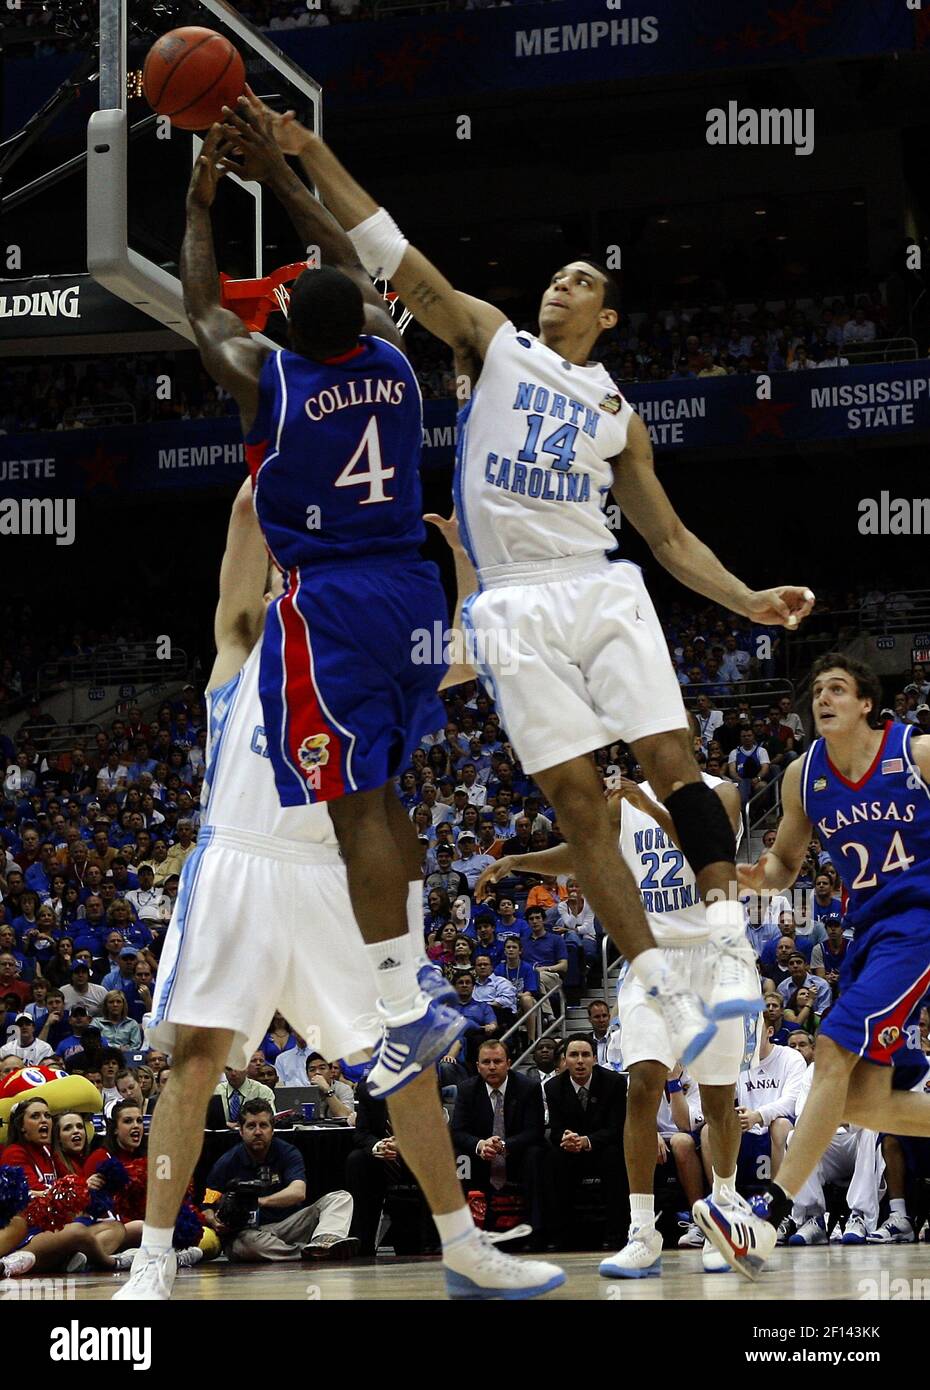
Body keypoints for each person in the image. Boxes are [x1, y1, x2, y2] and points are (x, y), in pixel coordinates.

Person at [226, 89, 815, 1080]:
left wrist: (746, 598)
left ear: (607, 313)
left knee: (672, 760)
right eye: (555, 274)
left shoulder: (618, 409)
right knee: (583, 807)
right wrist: (303, 154)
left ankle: (723, 950)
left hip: (599, 582)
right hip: (510, 599)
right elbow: (388, 251)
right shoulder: (490, 340)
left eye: (581, 280)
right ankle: (656, 984)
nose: (561, 285)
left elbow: (667, 536)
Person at [117, 483, 562, 1301]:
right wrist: (287, 445)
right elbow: (244, 522)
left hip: (339, 881)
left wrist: (464, 560)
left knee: (407, 1061)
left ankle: (462, 1246)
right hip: (239, 867)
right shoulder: (244, 640)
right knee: (194, 1059)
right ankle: (152, 1257)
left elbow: (471, 653)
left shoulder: (376, 659)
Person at [182, 107, 465, 1101]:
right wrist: (283, 173)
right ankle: (415, 975)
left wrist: (204, 196)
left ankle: (400, 1009)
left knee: (356, 809)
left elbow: (202, 312)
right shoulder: (392, 355)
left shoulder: (270, 380)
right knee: (388, 790)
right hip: (411, 591)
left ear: (293, 329)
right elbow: (343, 253)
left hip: (334, 602)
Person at [696, 654, 930, 1279]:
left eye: (837, 689)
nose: (822, 699)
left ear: (865, 704)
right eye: (817, 691)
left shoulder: (917, 753)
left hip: (920, 924)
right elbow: (784, 865)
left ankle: (764, 1221)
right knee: (863, 1101)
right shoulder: (804, 776)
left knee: (829, 1047)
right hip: (867, 934)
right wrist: (755, 879)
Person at [201, 1099, 358, 1262]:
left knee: (340, 1198)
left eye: (263, 1125)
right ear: (240, 1131)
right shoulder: (227, 1162)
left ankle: (326, 1240)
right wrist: (214, 1220)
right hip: (251, 1233)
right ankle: (312, 1251)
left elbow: (298, 1192)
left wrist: (259, 1202)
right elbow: (207, 1204)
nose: (257, 1132)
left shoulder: (287, 1152)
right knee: (244, 1246)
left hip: (290, 1224)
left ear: (272, 1129)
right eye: (250, 1126)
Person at [451, 1040, 549, 1239]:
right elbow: (458, 1131)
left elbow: (535, 1130)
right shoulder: (466, 1089)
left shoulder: (528, 1087)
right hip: (480, 1158)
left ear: (509, 1063)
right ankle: (458, 1233)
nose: (492, 1067)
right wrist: (480, 1145)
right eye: (486, 1062)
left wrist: (504, 1146)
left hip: (517, 1156)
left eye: (498, 1061)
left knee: (537, 1154)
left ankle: (536, 1231)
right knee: (459, 1158)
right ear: (478, 1066)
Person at [545, 1036, 627, 1248]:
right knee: (553, 1157)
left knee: (614, 1156)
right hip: (570, 1149)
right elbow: (554, 1129)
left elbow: (616, 1128)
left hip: (602, 1146)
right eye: (574, 1055)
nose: (580, 1061)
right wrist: (566, 1138)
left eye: (585, 1055)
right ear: (565, 1060)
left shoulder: (614, 1083)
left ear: (594, 1059)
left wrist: (587, 1141)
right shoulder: (553, 1087)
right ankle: (561, 1234)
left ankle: (615, 1233)